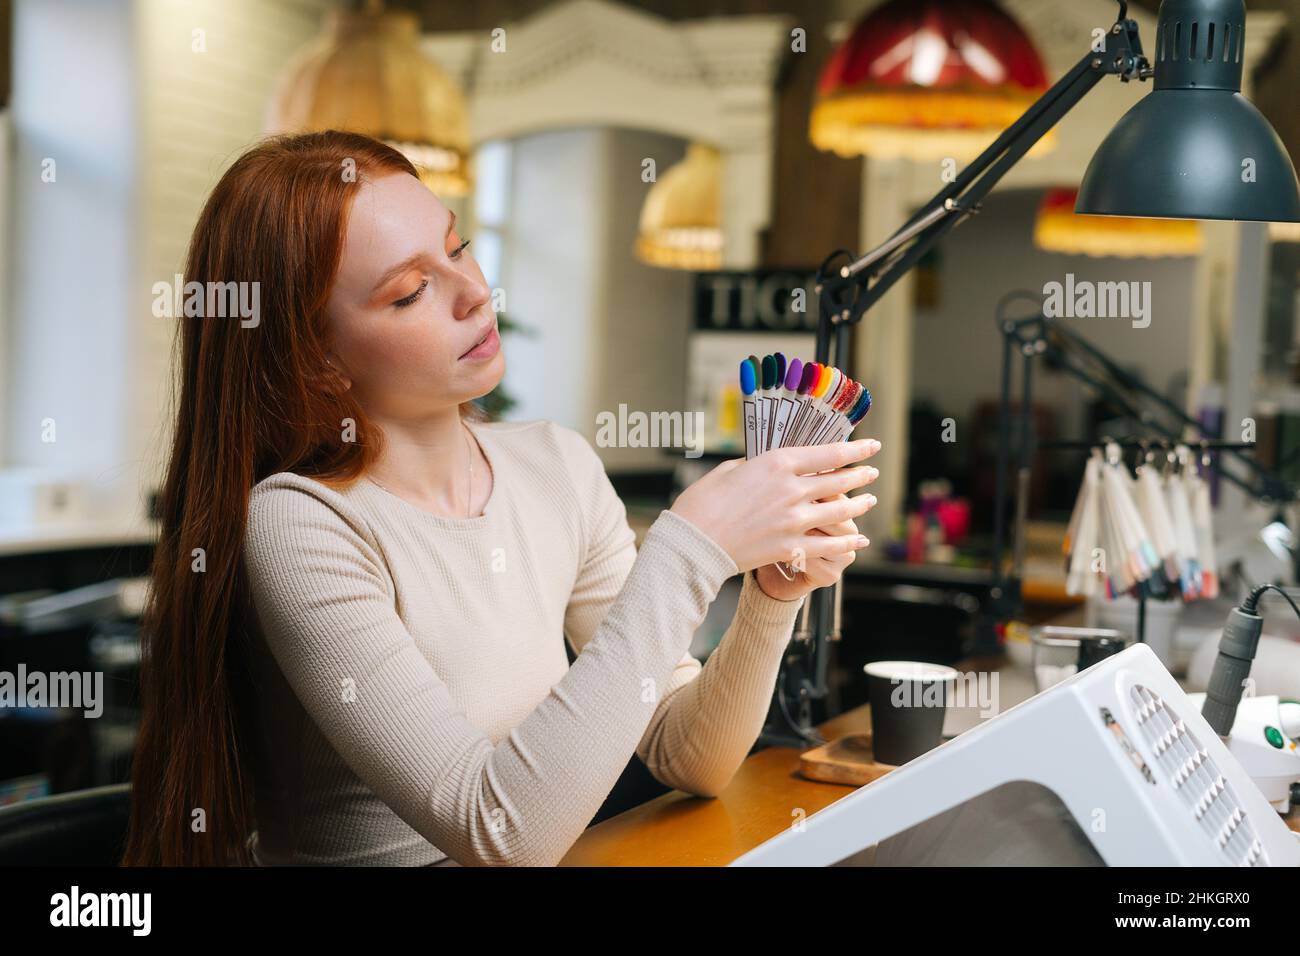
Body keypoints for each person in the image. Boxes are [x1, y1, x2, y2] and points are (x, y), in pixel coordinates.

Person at [123, 131, 880, 866]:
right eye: (412, 290)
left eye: (458, 248)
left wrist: (772, 597)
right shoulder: (300, 524)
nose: (474, 292)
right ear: (317, 360)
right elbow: (497, 834)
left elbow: (691, 756)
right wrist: (688, 551)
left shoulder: (555, 466)